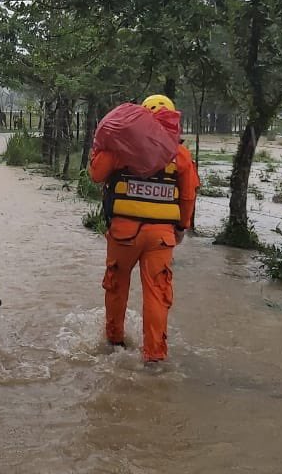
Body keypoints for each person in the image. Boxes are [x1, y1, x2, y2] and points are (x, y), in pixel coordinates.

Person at [88, 94, 199, 364]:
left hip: (123, 233)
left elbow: (96, 174)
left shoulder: (120, 148)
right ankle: (154, 356)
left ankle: (114, 342)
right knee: (157, 294)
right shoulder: (180, 154)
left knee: (116, 287)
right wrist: (182, 227)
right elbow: (188, 196)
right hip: (161, 238)